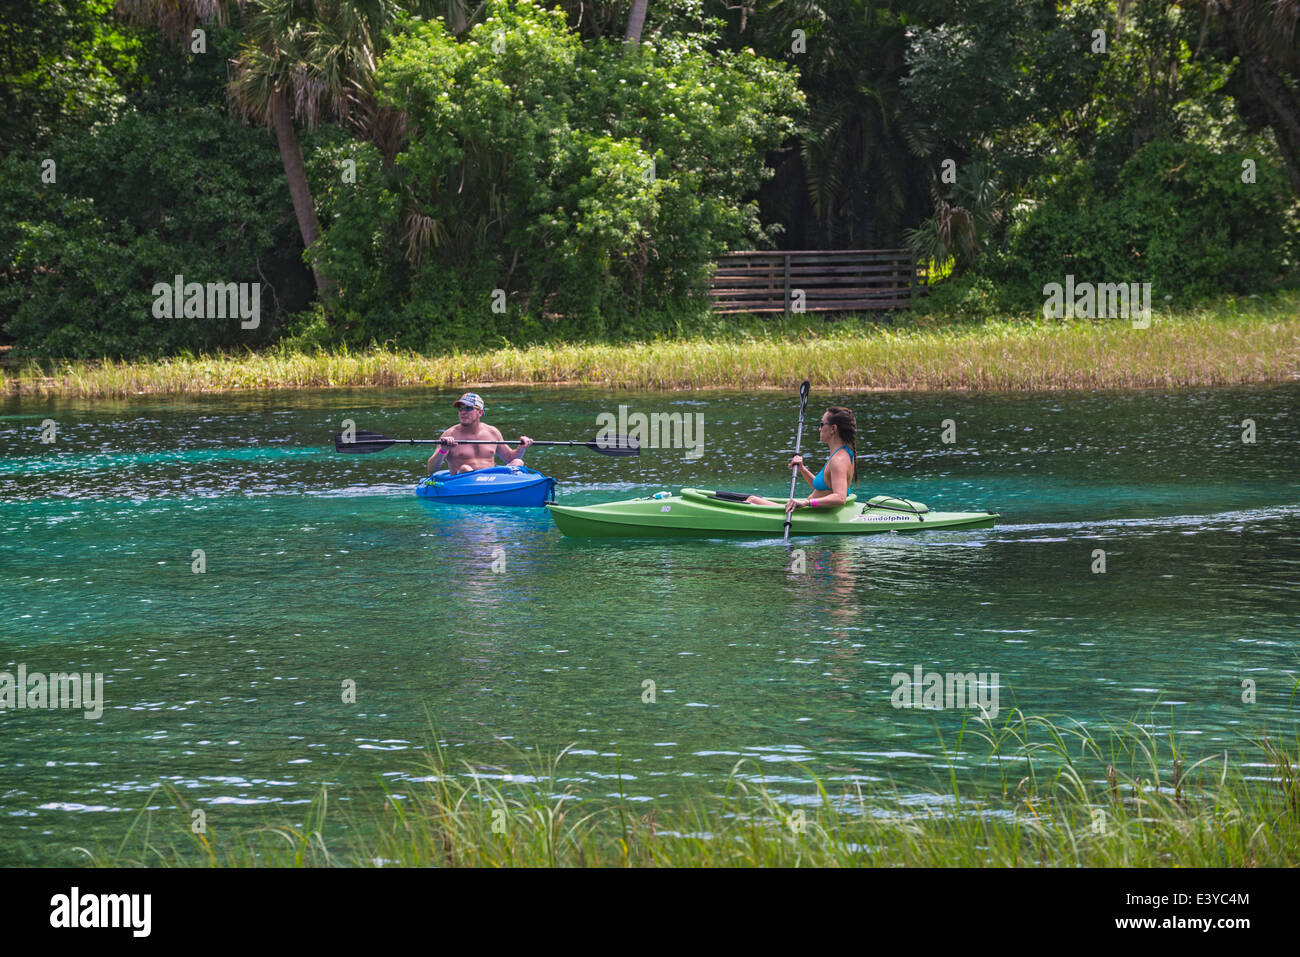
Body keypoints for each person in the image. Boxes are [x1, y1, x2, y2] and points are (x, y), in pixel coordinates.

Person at [747, 406, 858, 513]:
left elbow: (840, 498)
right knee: (752, 499)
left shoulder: (838, 460)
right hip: (813, 510)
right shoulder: (842, 454)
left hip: (812, 513)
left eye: (822, 424)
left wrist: (807, 502)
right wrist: (802, 469)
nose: (819, 429)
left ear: (833, 428)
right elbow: (824, 487)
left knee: (751, 500)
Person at [427, 393, 534, 476]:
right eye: (460, 408)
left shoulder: (492, 432)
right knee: (465, 468)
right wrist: (443, 450)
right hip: (461, 482)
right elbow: (431, 470)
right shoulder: (449, 434)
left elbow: (509, 458)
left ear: (480, 412)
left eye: (468, 408)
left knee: (518, 462)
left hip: (491, 481)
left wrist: (521, 447)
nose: (463, 412)